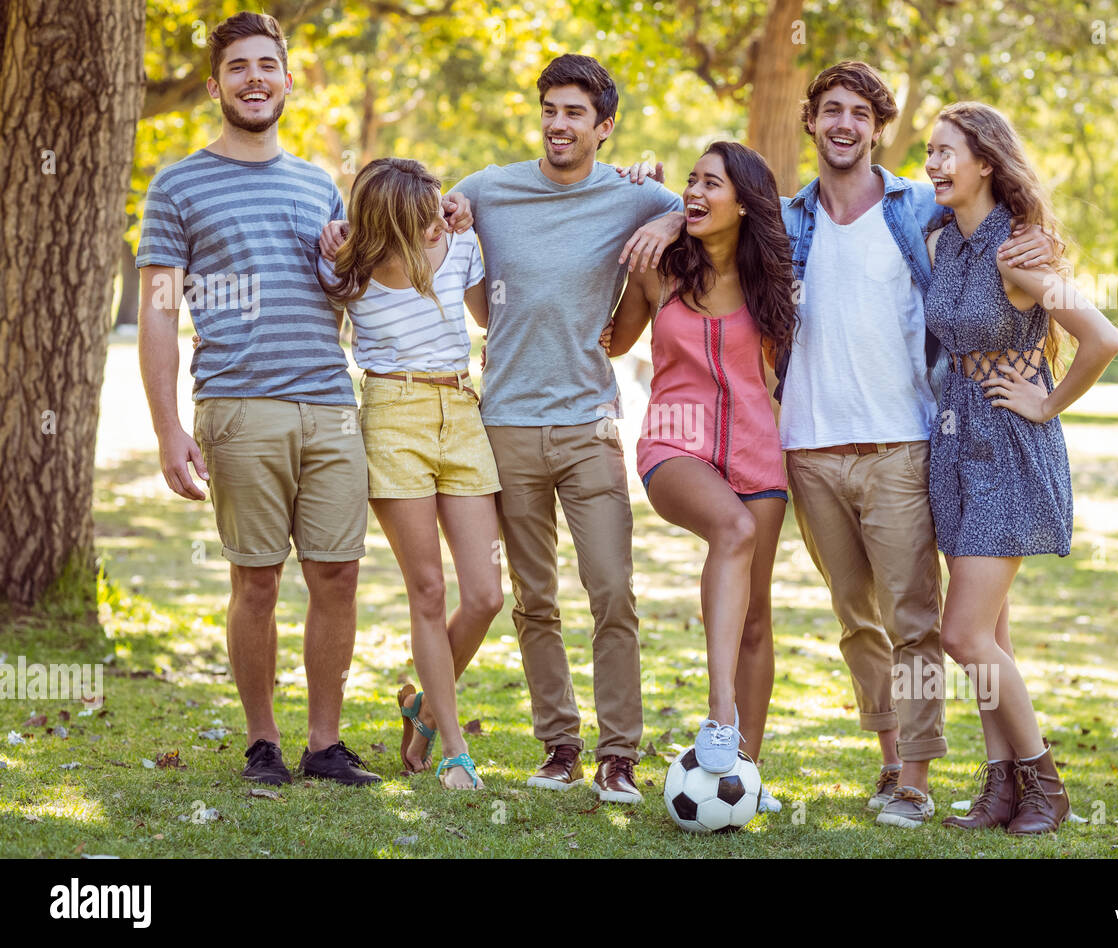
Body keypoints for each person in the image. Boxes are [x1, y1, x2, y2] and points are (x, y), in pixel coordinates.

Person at [324, 55, 685, 803]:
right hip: (499, 423)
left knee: (611, 590)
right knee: (527, 599)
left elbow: (704, 205)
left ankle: (619, 754)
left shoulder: (631, 195)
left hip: (587, 423)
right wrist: (347, 230)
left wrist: (669, 211)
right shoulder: (486, 191)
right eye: (550, 108)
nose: (559, 123)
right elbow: (413, 224)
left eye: (575, 113)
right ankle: (557, 747)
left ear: (604, 127)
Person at [773, 61, 1055, 828]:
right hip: (809, 444)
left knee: (918, 620)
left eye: (860, 113)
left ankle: (921, 780)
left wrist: (1034, 242)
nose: (844, 123)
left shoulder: (916, 210)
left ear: (877, 128)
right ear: (811, 120)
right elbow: (704, 211)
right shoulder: (786, 217)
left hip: (904, 442)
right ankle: (892, 761)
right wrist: (663, 207)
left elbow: (1005, 254)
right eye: (830, 109)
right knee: (857, 620)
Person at [136, 11, 388, 786]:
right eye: (238, 67)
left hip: (329, 403)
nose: (254, 79)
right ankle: (261, 743)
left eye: (266, 66)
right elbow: (157, 311)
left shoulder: (319, 184)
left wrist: (347, 263)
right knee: (257, 578)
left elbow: (344, 294)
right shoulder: (177, 184)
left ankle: (324, 743)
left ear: (286, 80)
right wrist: (169, 428)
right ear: (215, 85)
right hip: (239, 407)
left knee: (337, 573)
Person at [921, 101, 1118, 834]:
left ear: (986, 163)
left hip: (1008, 446)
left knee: (963, 635)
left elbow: (1101, 337)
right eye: (930, 152)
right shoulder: (944, 240)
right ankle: (1001, 786)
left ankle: (1045, 781)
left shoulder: (1017, 252)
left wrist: (1047, 403)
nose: (935, 164)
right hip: (953, 444)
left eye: (949, 153)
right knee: (992, 639)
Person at [601, 141, 795, 813]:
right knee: (732, 529)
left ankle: (748, 773)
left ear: (743, 201)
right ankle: (720, 717)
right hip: (674, 444)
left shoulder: (772, 276)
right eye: (690, 181)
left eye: (711, 183)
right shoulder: (662, 270)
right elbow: (615, 341)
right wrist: (646, 224)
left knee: (756, 621)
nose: (695, 192)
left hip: (755, 448)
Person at [317, 156, 503, 789]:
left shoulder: (458, 245)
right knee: (428, 592)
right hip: (392, 417)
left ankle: (422, 705)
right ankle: (454, 750)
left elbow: (487, 318)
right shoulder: (347, 270)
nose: (436, 225)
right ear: (390, 220)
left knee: (485, 595)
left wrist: (466, 225)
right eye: (422, 216)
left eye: (438, 210)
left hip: (462, 410)